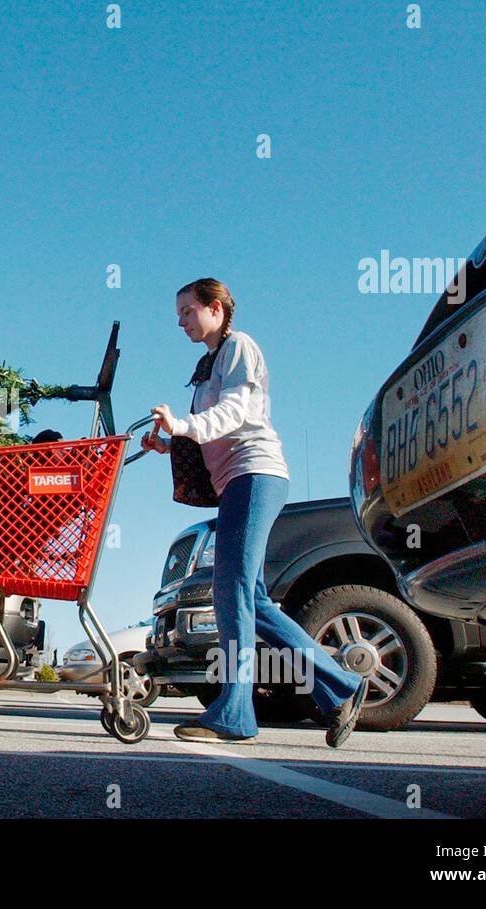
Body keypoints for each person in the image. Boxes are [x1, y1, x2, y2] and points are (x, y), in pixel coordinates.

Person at [140, 278, 369, 746]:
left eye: (187, 310)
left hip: (256, 474)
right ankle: (340, 684)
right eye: (179, 313)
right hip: (237, 483)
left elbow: (235, 414)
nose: (180, 320)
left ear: (216, 309)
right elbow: (211, 434)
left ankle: (236, 712)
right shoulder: (210, 362)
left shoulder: (240, 347)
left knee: (231, 590)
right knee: (254, 601)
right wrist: (168, 443)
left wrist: (182, 423)